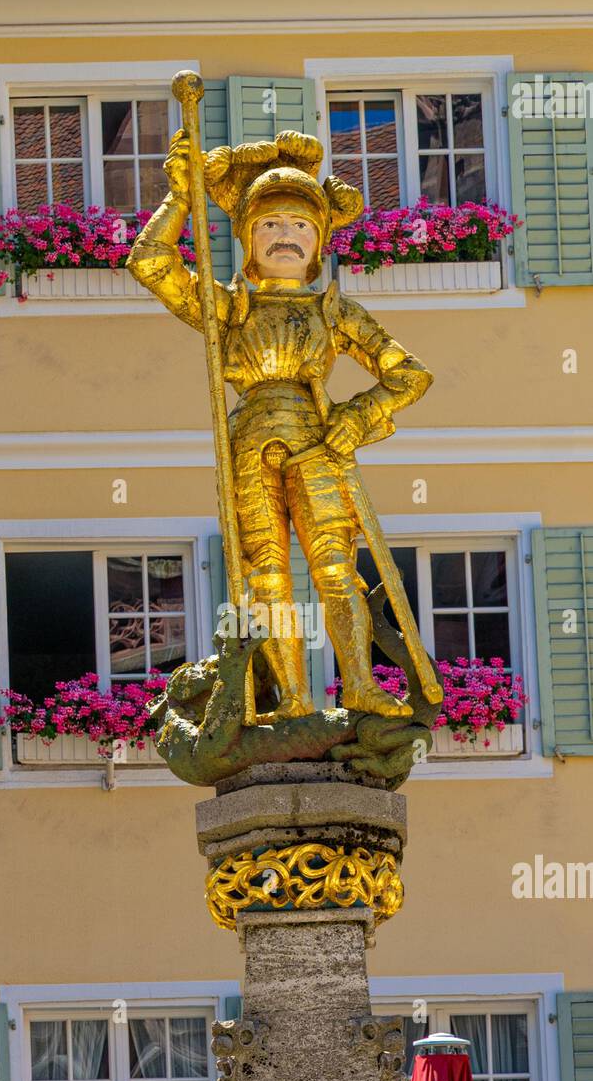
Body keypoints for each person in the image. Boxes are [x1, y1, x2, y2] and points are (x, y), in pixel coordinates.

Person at [127, 128, 433, 721]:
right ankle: (292, 697)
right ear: (246, 240)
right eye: (269, 225)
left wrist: (358, 417)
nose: (285, 236)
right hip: (247, 440)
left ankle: (362, 687)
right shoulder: (228, 306)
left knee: (335, 567)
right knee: (264, 572)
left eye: (299, 226)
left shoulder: (333, 309)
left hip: (319, 439)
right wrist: (181, 196)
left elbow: (410, 374)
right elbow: (151, 261)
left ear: (319, 244)